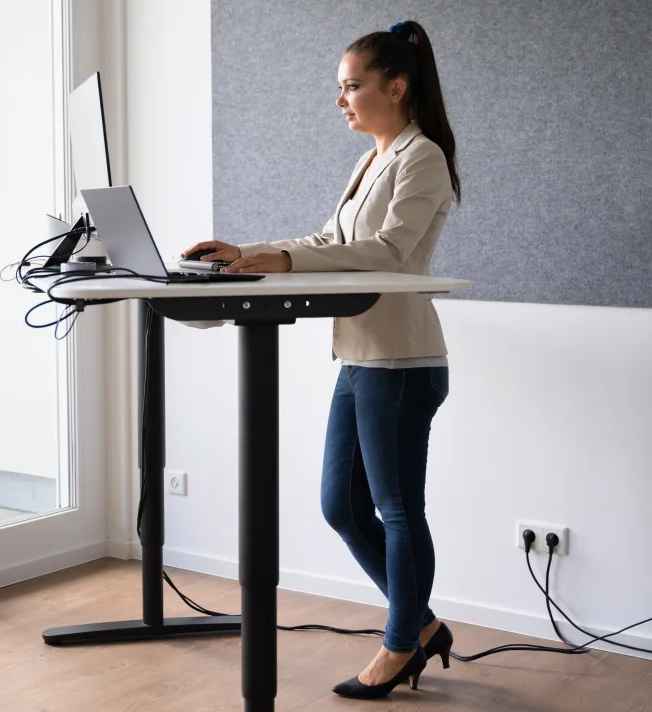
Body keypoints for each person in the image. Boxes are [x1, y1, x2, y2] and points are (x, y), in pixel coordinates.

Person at [182, 20, 461, 699]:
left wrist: (277, 260)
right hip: (362, 355)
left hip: (399, 359)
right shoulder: (373, 157)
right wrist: (249, 252)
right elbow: (329, 238)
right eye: (340, 88)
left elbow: (384, 252)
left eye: (352, 87)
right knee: (341, 505)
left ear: (396, 86)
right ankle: (420, 625)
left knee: (397, 510)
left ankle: (400, 645)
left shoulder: (420, 156)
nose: (341, 100)